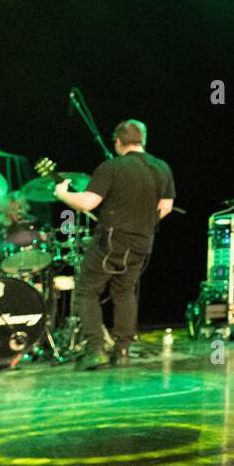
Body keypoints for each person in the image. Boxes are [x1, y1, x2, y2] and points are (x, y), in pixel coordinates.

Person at [54, 120, 174, 369]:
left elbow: (88, 202)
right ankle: (122, 349)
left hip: (113, 240)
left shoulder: (112, 167)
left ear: (118, 142)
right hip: (143, 241)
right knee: (124, 291)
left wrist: (62, 194)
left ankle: (95, 349)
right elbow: (166, 206)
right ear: (143, 140)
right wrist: (145, 220)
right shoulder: (161, 167)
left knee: (87, 291)